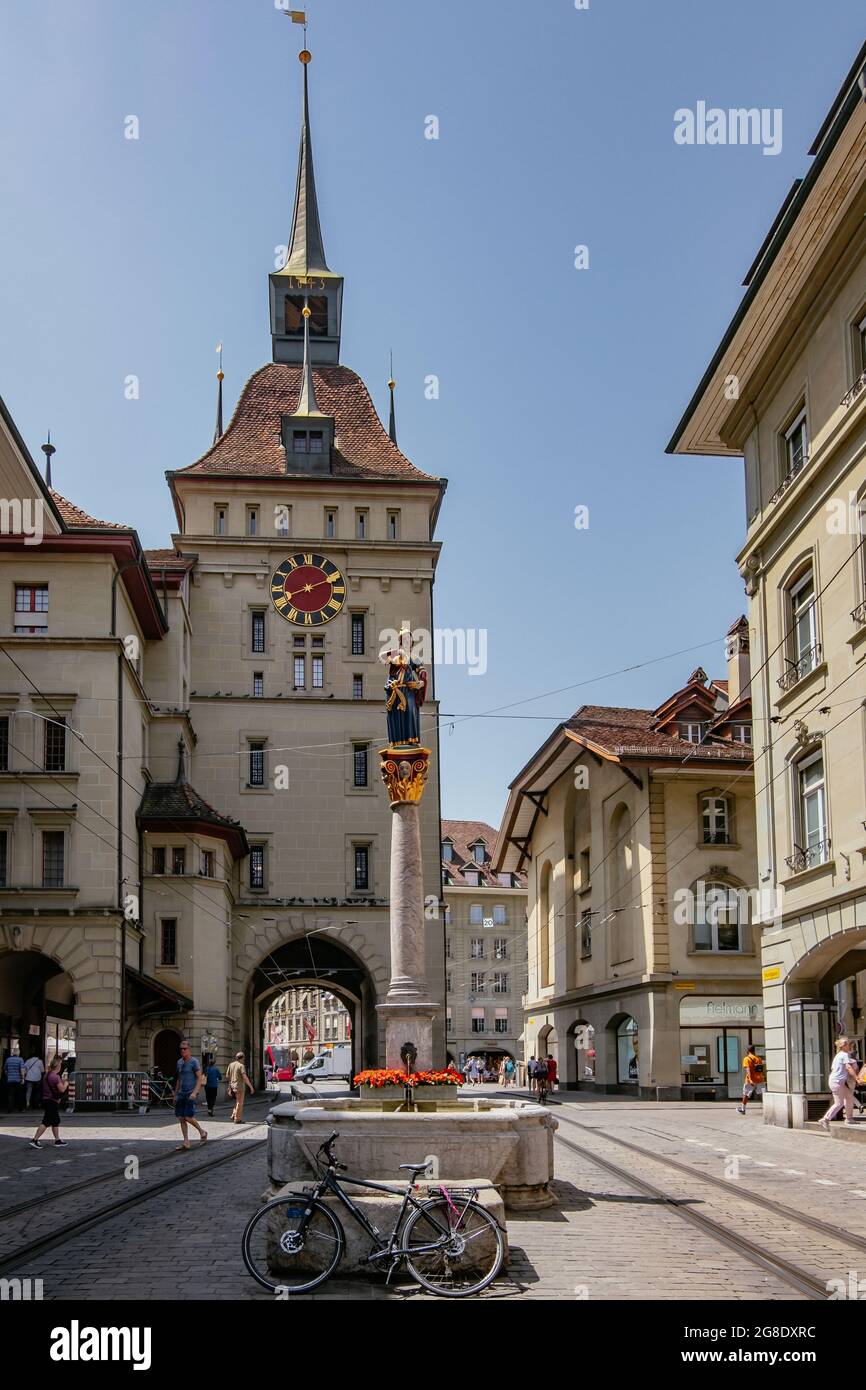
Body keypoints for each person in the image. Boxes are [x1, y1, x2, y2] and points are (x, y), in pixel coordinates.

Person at [818, 1038, 859, 1130]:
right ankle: (825, 1119)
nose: (850, 1045)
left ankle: (849, 1119)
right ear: (843, 1046)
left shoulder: (839, 1055)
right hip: (837, 1082)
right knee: (839, 1103)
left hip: (836, 1081)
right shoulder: (844, 1055)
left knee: (849, 1098)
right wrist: (857, 1078)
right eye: (848, 1044)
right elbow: (848, 1067)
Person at [173, 1039, 207, 1149]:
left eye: (185, 1048)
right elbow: (179, 1079)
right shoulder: (179, 1062)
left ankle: (202, 1132)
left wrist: (195, 1092)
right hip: (181, 1093)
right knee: (181, 1118)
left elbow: (199, 1078)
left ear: (189, 1049)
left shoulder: (194, 1062)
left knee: (188, 1117)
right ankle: (186, 1142)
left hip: (190, 1093)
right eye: (181, 1049)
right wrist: (175, 1094)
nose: (183, 1050)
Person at [29, 1057, 69, 1148]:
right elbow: (62, 1089)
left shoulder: (47, 1075)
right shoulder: (55, 1077)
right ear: (58, 1066)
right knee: (46, 1121)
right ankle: (34, 1140)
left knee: (55, 1120)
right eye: (60, 1065)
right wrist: (66, 1083)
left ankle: (57, 1140)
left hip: (46, 1100)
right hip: (52, 1101)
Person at [737, 1045, 766, 1115]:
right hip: (760, 1079)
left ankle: (743, 1109)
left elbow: (748, 1070)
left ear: (748, 1051)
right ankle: (767, 1109)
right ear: (754, 1050)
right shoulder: (758, 1058)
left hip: (751, 1080)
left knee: (746, 1094)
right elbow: (761, 1070)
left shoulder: (747, 1059)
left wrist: (750, 1080)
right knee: (763, 1094)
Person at [225, 1052, 254, 1123]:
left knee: (237, 1101)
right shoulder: (241, 1066)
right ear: (242, 1058)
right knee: (239, 1103)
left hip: (232, 1086)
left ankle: (234, 1114)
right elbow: (244, 1077)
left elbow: (227, 1076)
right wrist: (251, 1087)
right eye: (244, 1058)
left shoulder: (231, 1065)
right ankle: (237, 1119)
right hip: (239, 1087)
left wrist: (230, 1084)